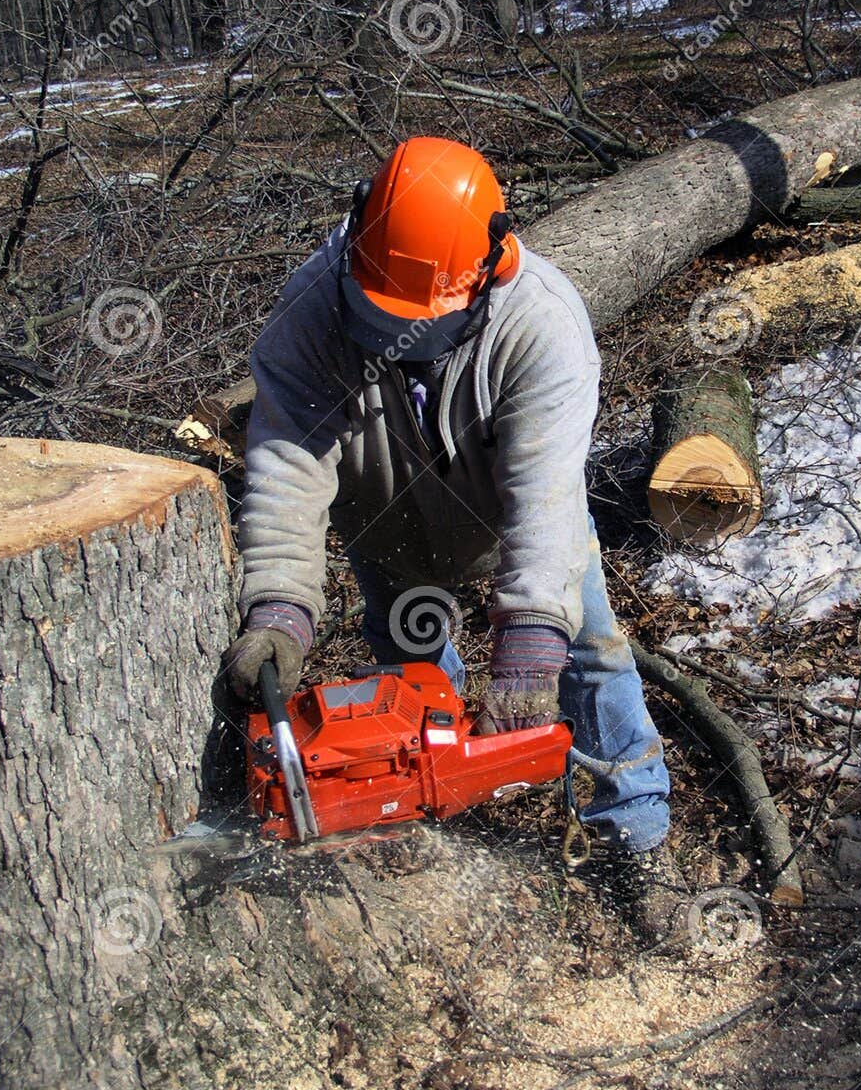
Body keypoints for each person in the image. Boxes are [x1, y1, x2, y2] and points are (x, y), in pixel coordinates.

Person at [223, 136, 684, 942]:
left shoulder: (540, 322)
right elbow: (288, 462)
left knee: (593, 658)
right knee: (407, 683)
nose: (383, 331)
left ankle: (636, 840)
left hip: (513, 522)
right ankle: (428, 824)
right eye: (373, 310)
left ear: (485, 276)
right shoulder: (312, 311)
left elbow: (546, 495)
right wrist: (280, 604)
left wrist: (534, 634)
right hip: (387, 522)